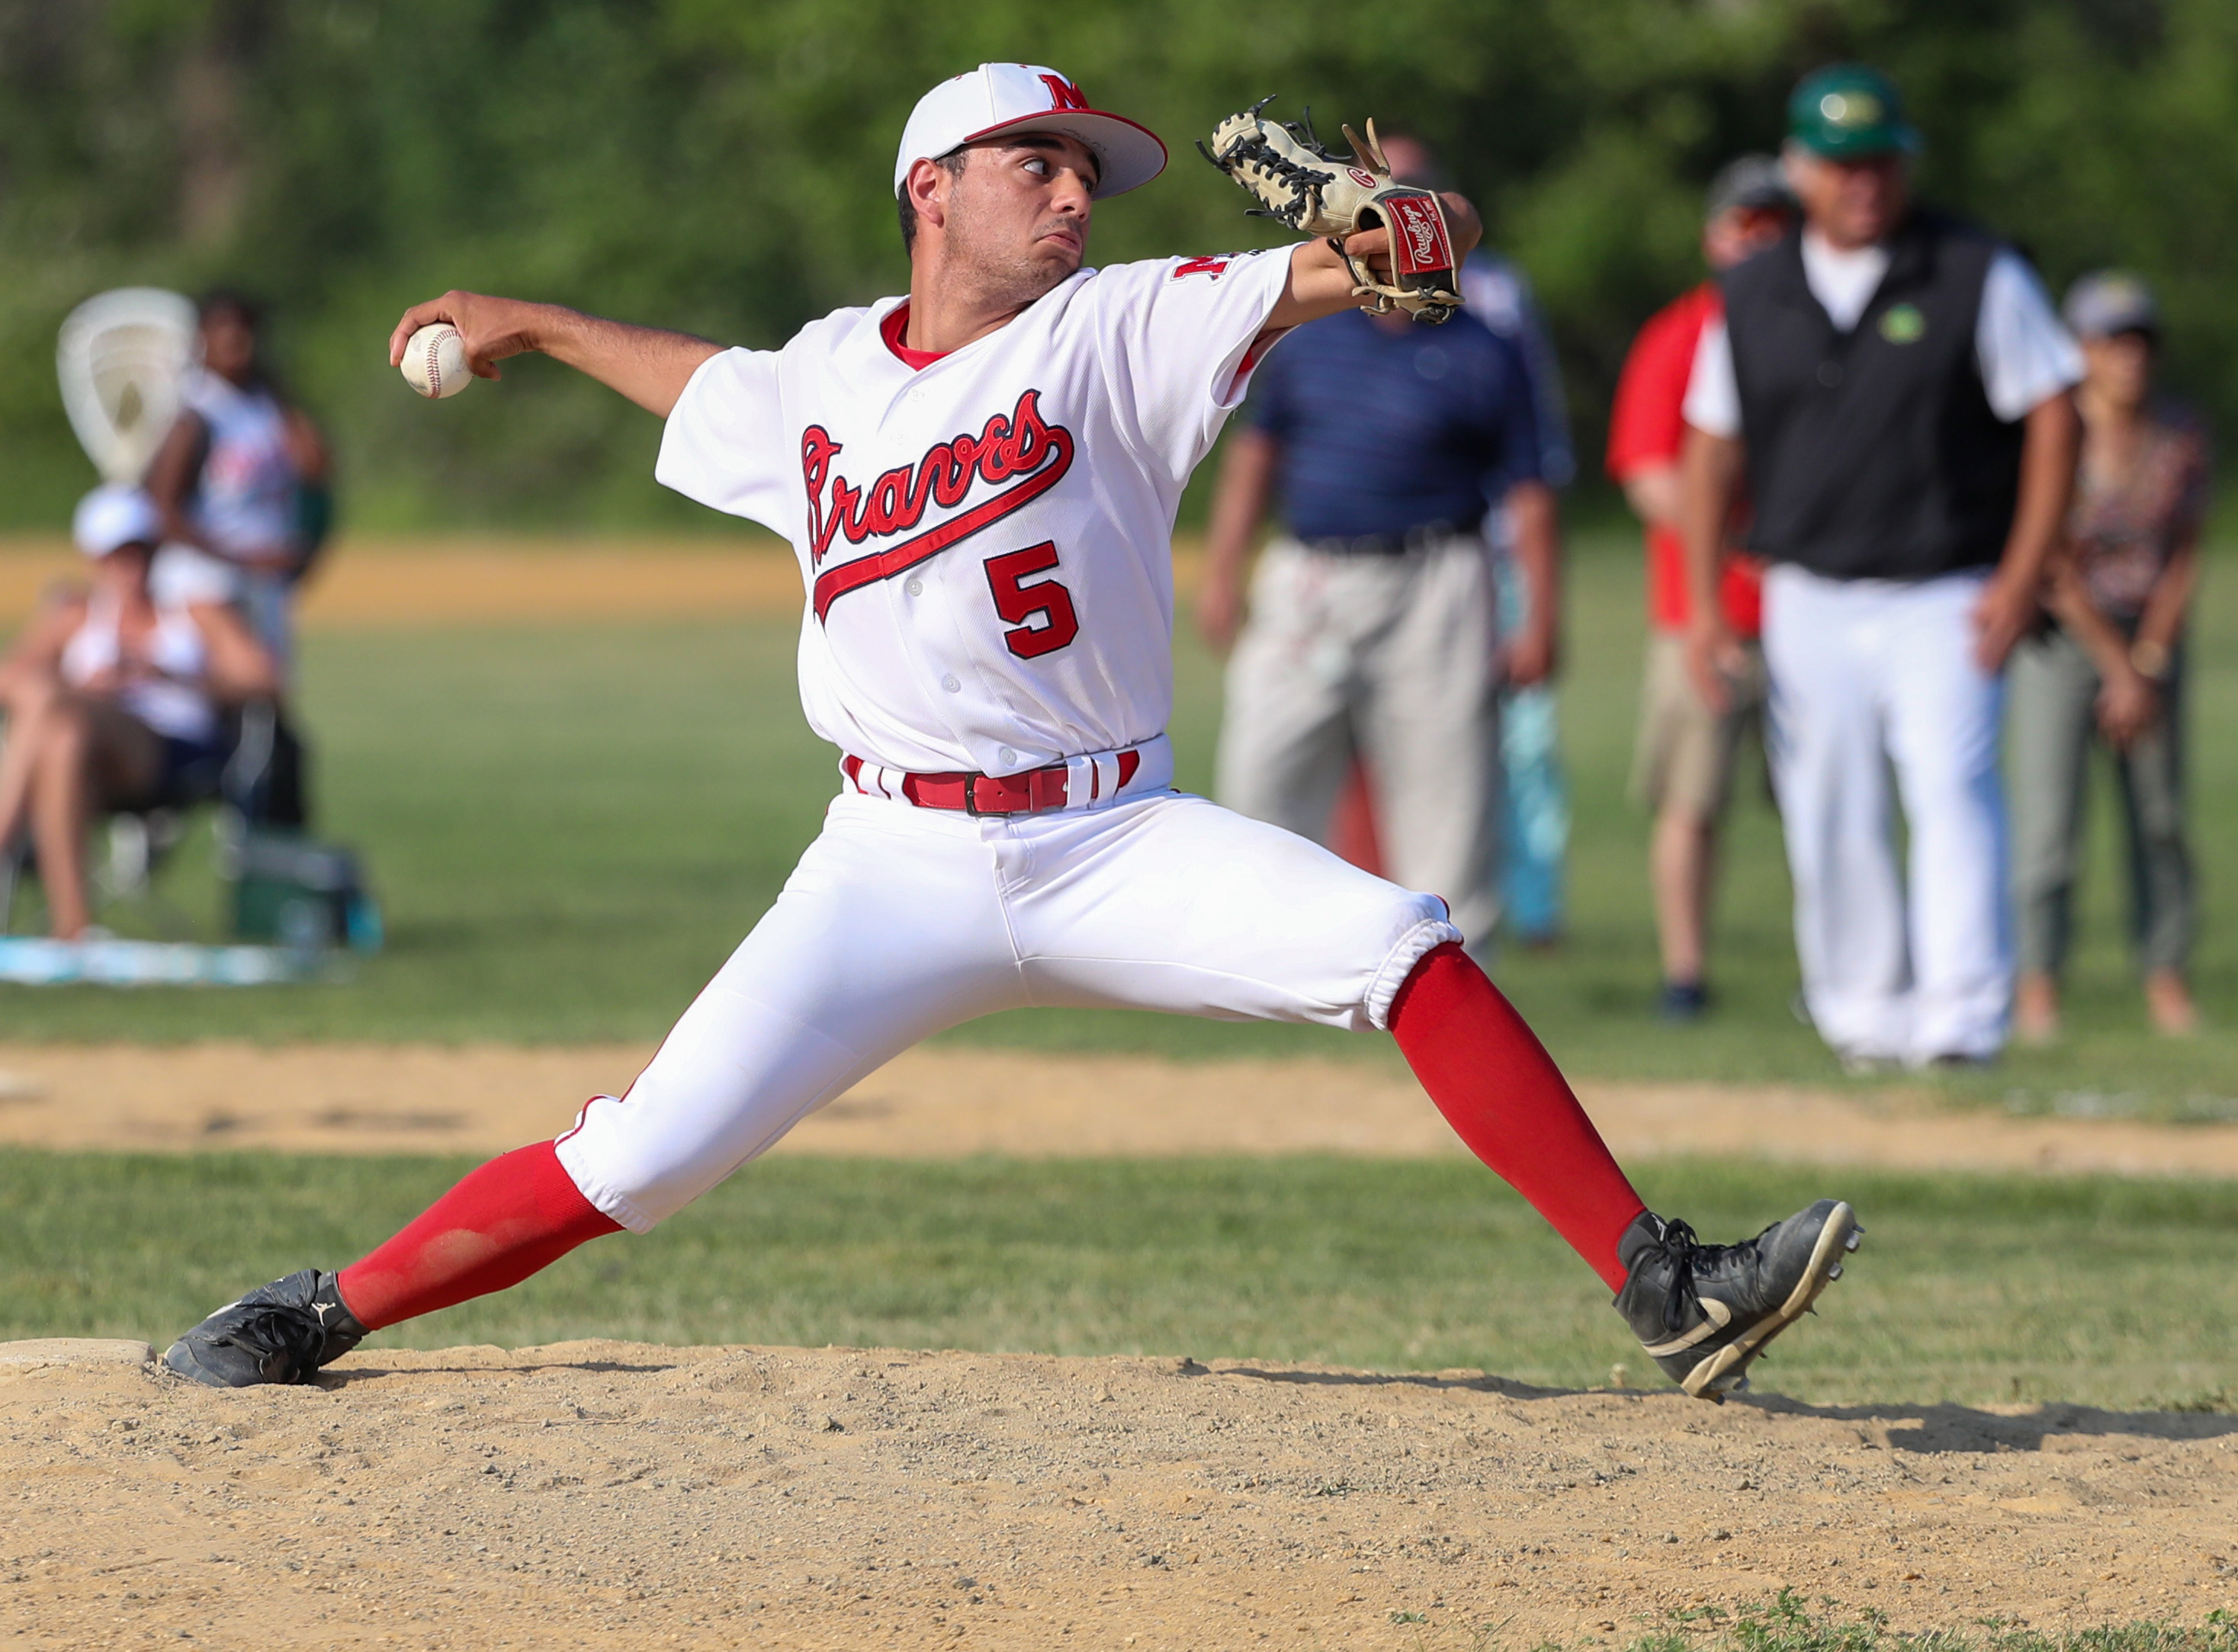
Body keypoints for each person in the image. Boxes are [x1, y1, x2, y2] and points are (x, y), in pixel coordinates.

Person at [163, 64, 1857, 1403]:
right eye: (1034, 163)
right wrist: (529, 320)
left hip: (1113, 836)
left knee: (1398, 939)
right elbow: (704, 380)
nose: (1071, 193)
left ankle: (1662, 1282)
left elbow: (1394, 258)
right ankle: (326, 1308)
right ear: (930, 189)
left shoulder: (1123, 322)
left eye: (1086, 173)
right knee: (645, 1157)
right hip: (888, 861)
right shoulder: (825, 377)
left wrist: (1407, 226)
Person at [1679, 64, 2082, 1069]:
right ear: (1799, 169)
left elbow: (2050, 413)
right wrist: (1699, 603)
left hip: (1943, 586)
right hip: (1807, 588)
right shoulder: (1750, 289)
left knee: (1951, 788)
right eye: (1841, 165)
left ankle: (1959, 1015)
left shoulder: (1970, 268)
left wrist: (2019, 574)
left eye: (1879, 163)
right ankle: (1860, 1010)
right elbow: (1707, 447)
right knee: (1830, 799)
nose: (1863, 184)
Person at [1198, 132, 1559, 954]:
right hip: (1311, 575)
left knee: (1448, 800)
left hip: (1437, 577)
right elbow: (1257, 458)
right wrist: (1224, 570)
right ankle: (1265, 966)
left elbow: (1531, 490)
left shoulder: (1484, 345)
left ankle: (1451, 989)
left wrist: (1537, 617)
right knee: (1262, 777)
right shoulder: (1310, 331)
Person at [1607, 156, 1796, 1018]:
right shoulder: (1680, 334)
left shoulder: (1827, 323)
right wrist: (1740, 540)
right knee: (1691, 802)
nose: (1759, 240)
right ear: (1714, 235)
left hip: (1816, 605)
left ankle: (1837, 972)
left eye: (1775, 224)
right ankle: (1685, 974)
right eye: (1743, 224)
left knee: (1824, 804)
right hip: (1701, 610)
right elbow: (1649, 475)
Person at [2010, 273, 2204, 1041]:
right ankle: (2037, 986)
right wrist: (2115, 664)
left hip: (2151, 640)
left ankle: (2165, 976)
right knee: (2049, 823)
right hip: (2062, 636)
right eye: (2110, 342)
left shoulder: (2180, 431)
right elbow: (2047, 556)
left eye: (2138, 341)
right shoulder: (2054, 428)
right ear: (2080, 350)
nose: (2128, 358)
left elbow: (2186, 548)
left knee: (2158, 817)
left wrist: (2148, 655)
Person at [0, 486, 279, 938]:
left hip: (172, 749)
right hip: (84, 754)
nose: (131, 567)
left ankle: (3, 835)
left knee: (54, 704)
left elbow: (264, 681)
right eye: (117, 556)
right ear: (95, 558)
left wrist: (166, 674)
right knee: (61, 727)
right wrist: (85, 689)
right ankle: (74, 929)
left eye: (140, 552)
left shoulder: (193, 609)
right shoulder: (76, 614)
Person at [143, 287, 329, 827]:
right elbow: (164, 513)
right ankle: (165, 813)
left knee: (254, 724)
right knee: (256, 695)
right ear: (202, 339)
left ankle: (250, 829)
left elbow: (314, 466)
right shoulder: (197, 416)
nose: (237, 343)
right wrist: (242, 556)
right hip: (205, 584)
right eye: (224, 331)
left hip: (260, 587)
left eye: (245, 331)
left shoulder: (267, 404)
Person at [1460, 215, 1577, 947]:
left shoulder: (1494, 288)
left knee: (1524, 741)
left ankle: (1533, 908)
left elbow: (1534, 446)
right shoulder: (1338, 283)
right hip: (1402, 555)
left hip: (1496, 547)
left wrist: (1542, 607)